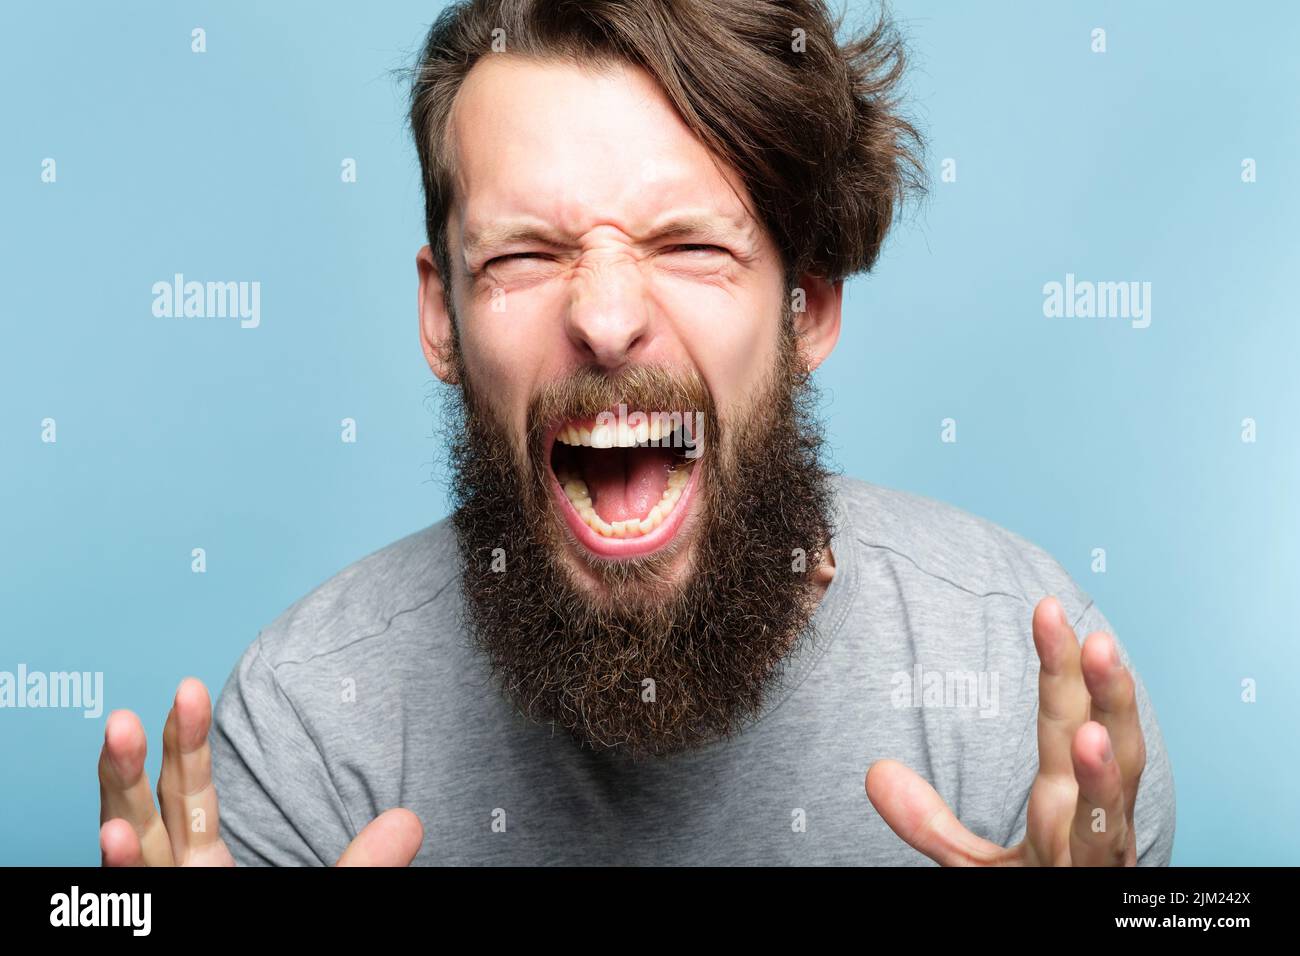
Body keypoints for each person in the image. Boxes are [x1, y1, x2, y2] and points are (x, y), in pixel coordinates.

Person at [98, 0, 1174, 867]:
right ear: (442, 317)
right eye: (522, 254)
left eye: (689, 244)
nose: (605, 318)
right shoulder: (308, 727)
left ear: (808, 307)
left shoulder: (1024, 691)